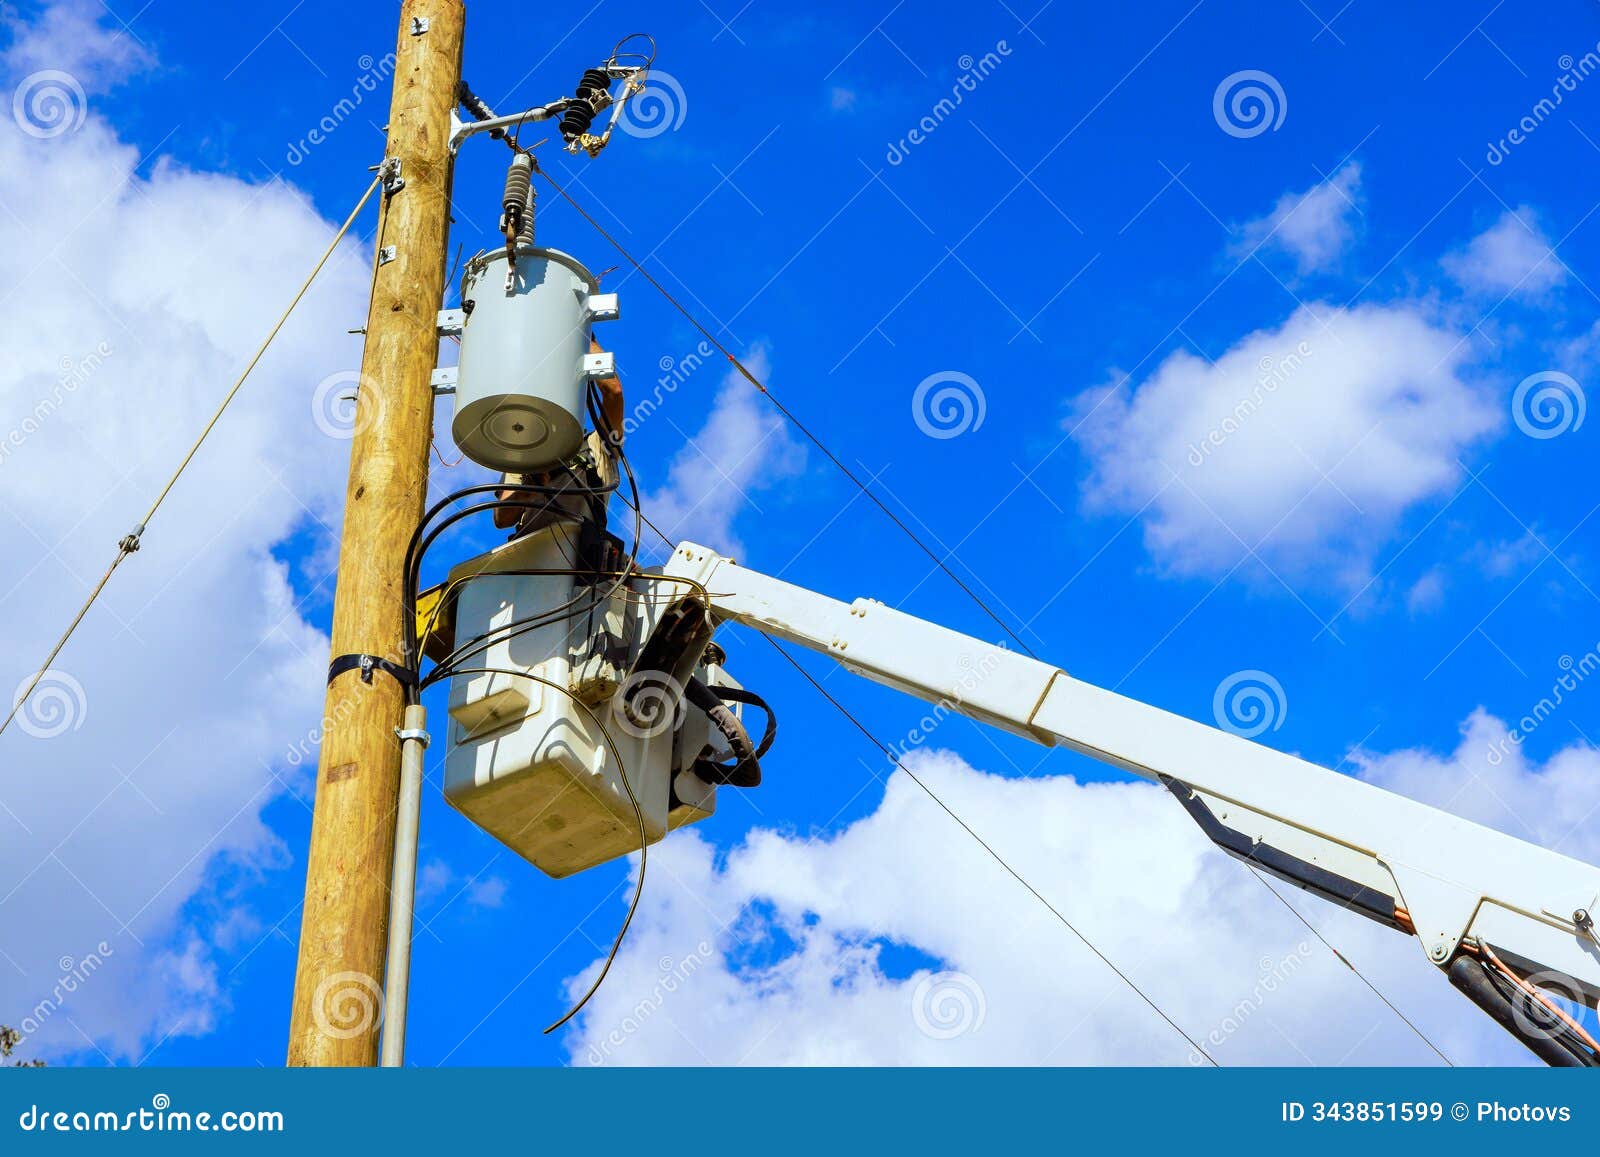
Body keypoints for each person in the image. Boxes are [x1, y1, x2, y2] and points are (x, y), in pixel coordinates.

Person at [492, 335, 624, 539]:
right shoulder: (525, 451)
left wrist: (582, 334)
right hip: (530, 560)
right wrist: (530, 487)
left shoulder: (599, 446)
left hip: (578, 562)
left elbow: (613, 392)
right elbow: (502, 518)